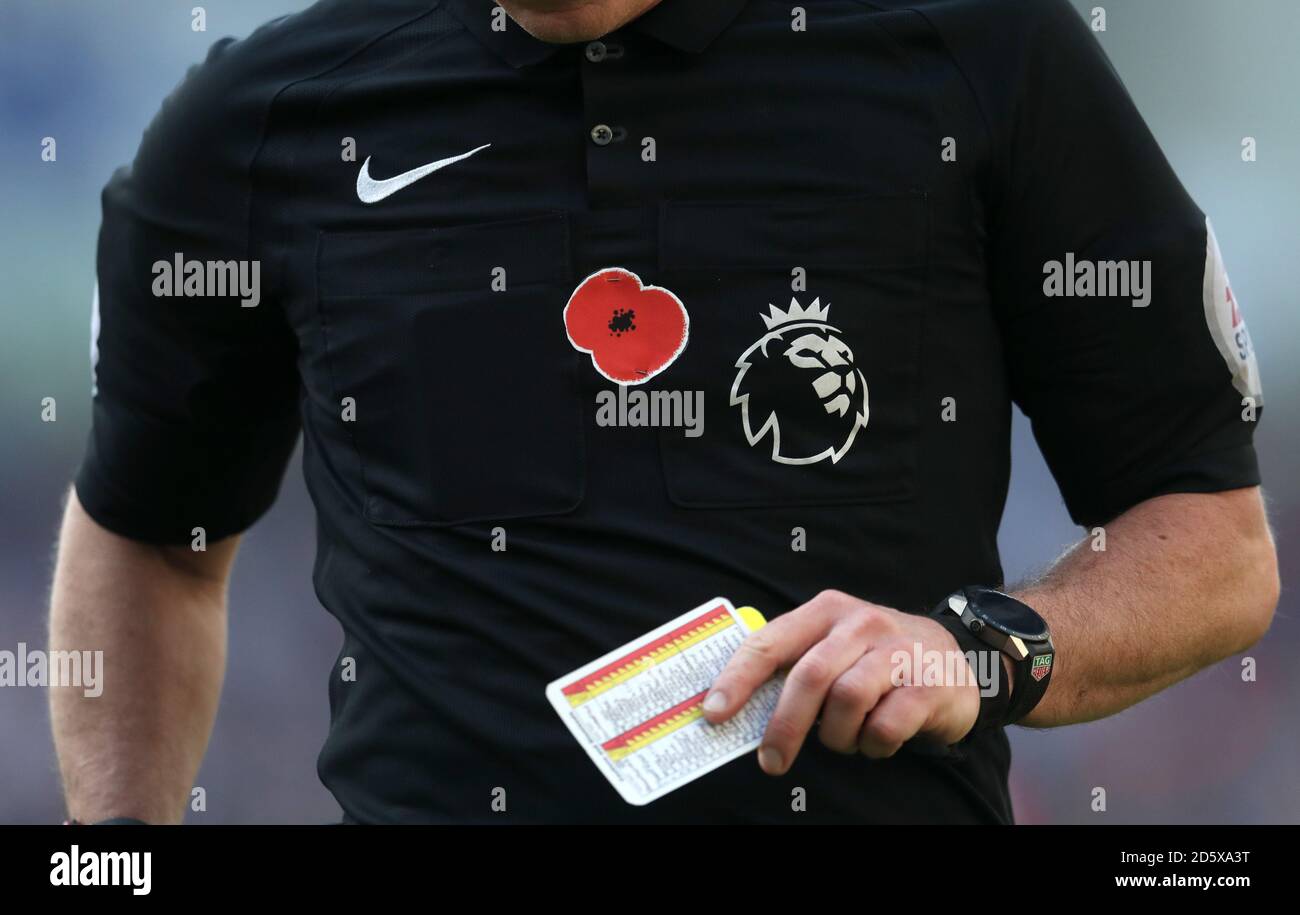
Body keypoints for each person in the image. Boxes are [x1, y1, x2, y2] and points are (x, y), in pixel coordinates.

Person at [50, 0, 1278, 824]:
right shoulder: (265, 117)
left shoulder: (979, 50)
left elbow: (1216, 551)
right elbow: (152, 532)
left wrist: (977, 647)